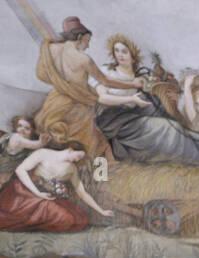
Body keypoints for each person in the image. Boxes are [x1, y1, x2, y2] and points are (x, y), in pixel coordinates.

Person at [34, 17, 146, 162]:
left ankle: (94, 176)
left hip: (54, 104)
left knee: (63, 145)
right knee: (96, 147)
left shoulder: (49, 49)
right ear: (80, 37)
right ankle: (101, 178)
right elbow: (106, 81)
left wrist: (62, 85)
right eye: (87, 40)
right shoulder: (83, 59)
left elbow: (41, 75)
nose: (87, 46)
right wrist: (133, 85)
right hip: (77, 109)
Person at [94, 34, 199, 166]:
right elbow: (102, 97)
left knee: (182, 129)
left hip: (133, 118)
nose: (120, 55)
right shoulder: (106, 72)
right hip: (114, 121)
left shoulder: (141, 76)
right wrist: (130, 98)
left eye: (124, 51)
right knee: (169, 129)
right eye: (117, 51)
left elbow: (155, 98)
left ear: (133, 54)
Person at [0, 142, 112, 232]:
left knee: (77, 219)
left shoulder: (71, 169)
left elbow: (82, 192)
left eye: (80, 158)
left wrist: (101, 211)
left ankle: (35, 222)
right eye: (78, 156)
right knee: (56, 215)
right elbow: (20, 170)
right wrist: (38, 192)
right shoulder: (44, 153)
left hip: (48, 198)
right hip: (25, 192)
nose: (78, 159)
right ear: (70, 149)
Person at [0, 115, 49, 199]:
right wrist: (42, 141)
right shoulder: (18, 138)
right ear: (15, 126)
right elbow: (36, 145)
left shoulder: (15, 136)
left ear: (31, 131)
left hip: (3, 161)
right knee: (1, 180)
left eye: (27, 128)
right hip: (7, 164)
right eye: (20, 126)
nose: (22, 129)